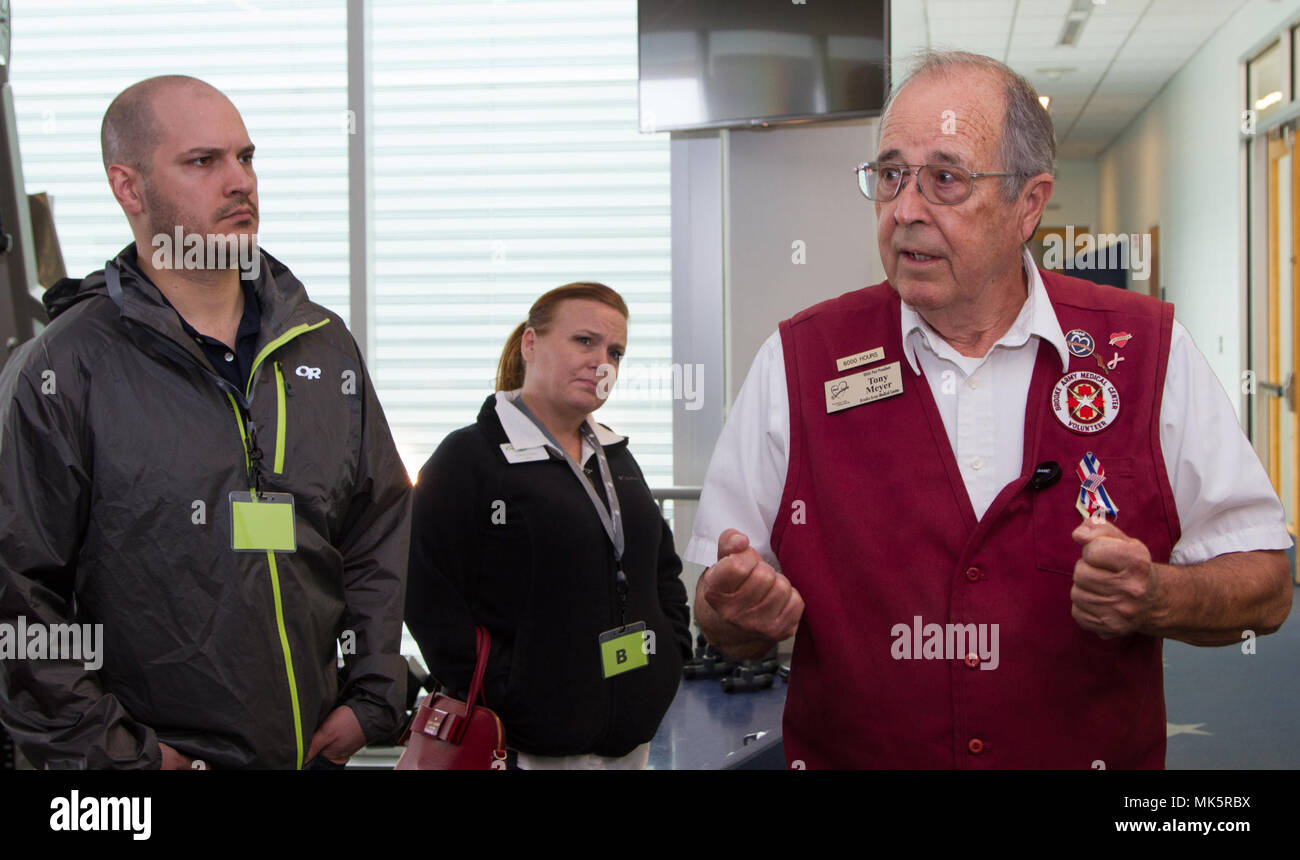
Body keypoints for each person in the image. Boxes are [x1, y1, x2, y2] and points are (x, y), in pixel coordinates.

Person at [685, 51, 1294, 769]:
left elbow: (1266, 584)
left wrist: (1156, 595)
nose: (906, 210)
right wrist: (738, 615)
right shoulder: (797, 361)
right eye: (889, 176)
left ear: (1028, 204)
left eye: (945, 179)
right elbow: (717, 610)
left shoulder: (1146, 351)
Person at [0, 76, 410, 769]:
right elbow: (18, 599)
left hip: (308, 753)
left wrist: (371, 692)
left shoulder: (321, 344)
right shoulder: (64, 368)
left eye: (245, 158)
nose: (239, 182)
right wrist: (122, 756)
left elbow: (376, 529)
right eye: (203, 161)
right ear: (128, 189)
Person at [405, 283, 692, 769]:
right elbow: (426, 596)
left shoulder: (616, 457)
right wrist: (508, 691)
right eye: (584, 341)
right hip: (524, 748)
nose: (602, 363)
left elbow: (659, 570)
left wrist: (670, 656)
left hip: (630, 741)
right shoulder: (469, 459)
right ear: (531, 344)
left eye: (615, 352)